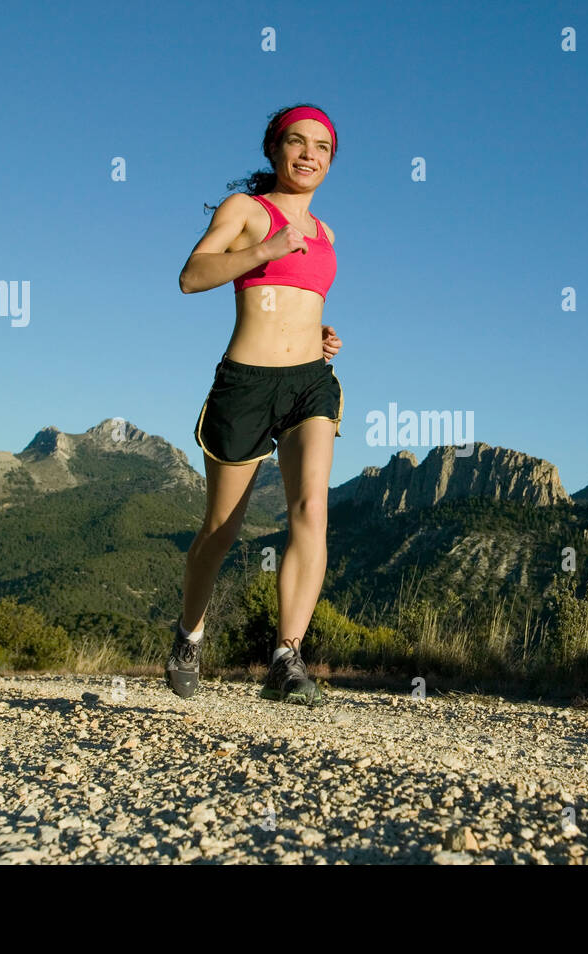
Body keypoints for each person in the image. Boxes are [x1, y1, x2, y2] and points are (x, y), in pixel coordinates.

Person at [165, 104, 344, 707]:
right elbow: (192, 277)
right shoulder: (246, 212)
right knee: (221, 530)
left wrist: (319, 332)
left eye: (321, 146)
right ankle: (189, 634)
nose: (309, 154)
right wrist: (265, 248)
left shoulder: (326, 233)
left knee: (310, 507)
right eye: (297, 142)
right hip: (245, 384)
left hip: (309, 383)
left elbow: (295, 298)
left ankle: (286, 655)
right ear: (274, 150)